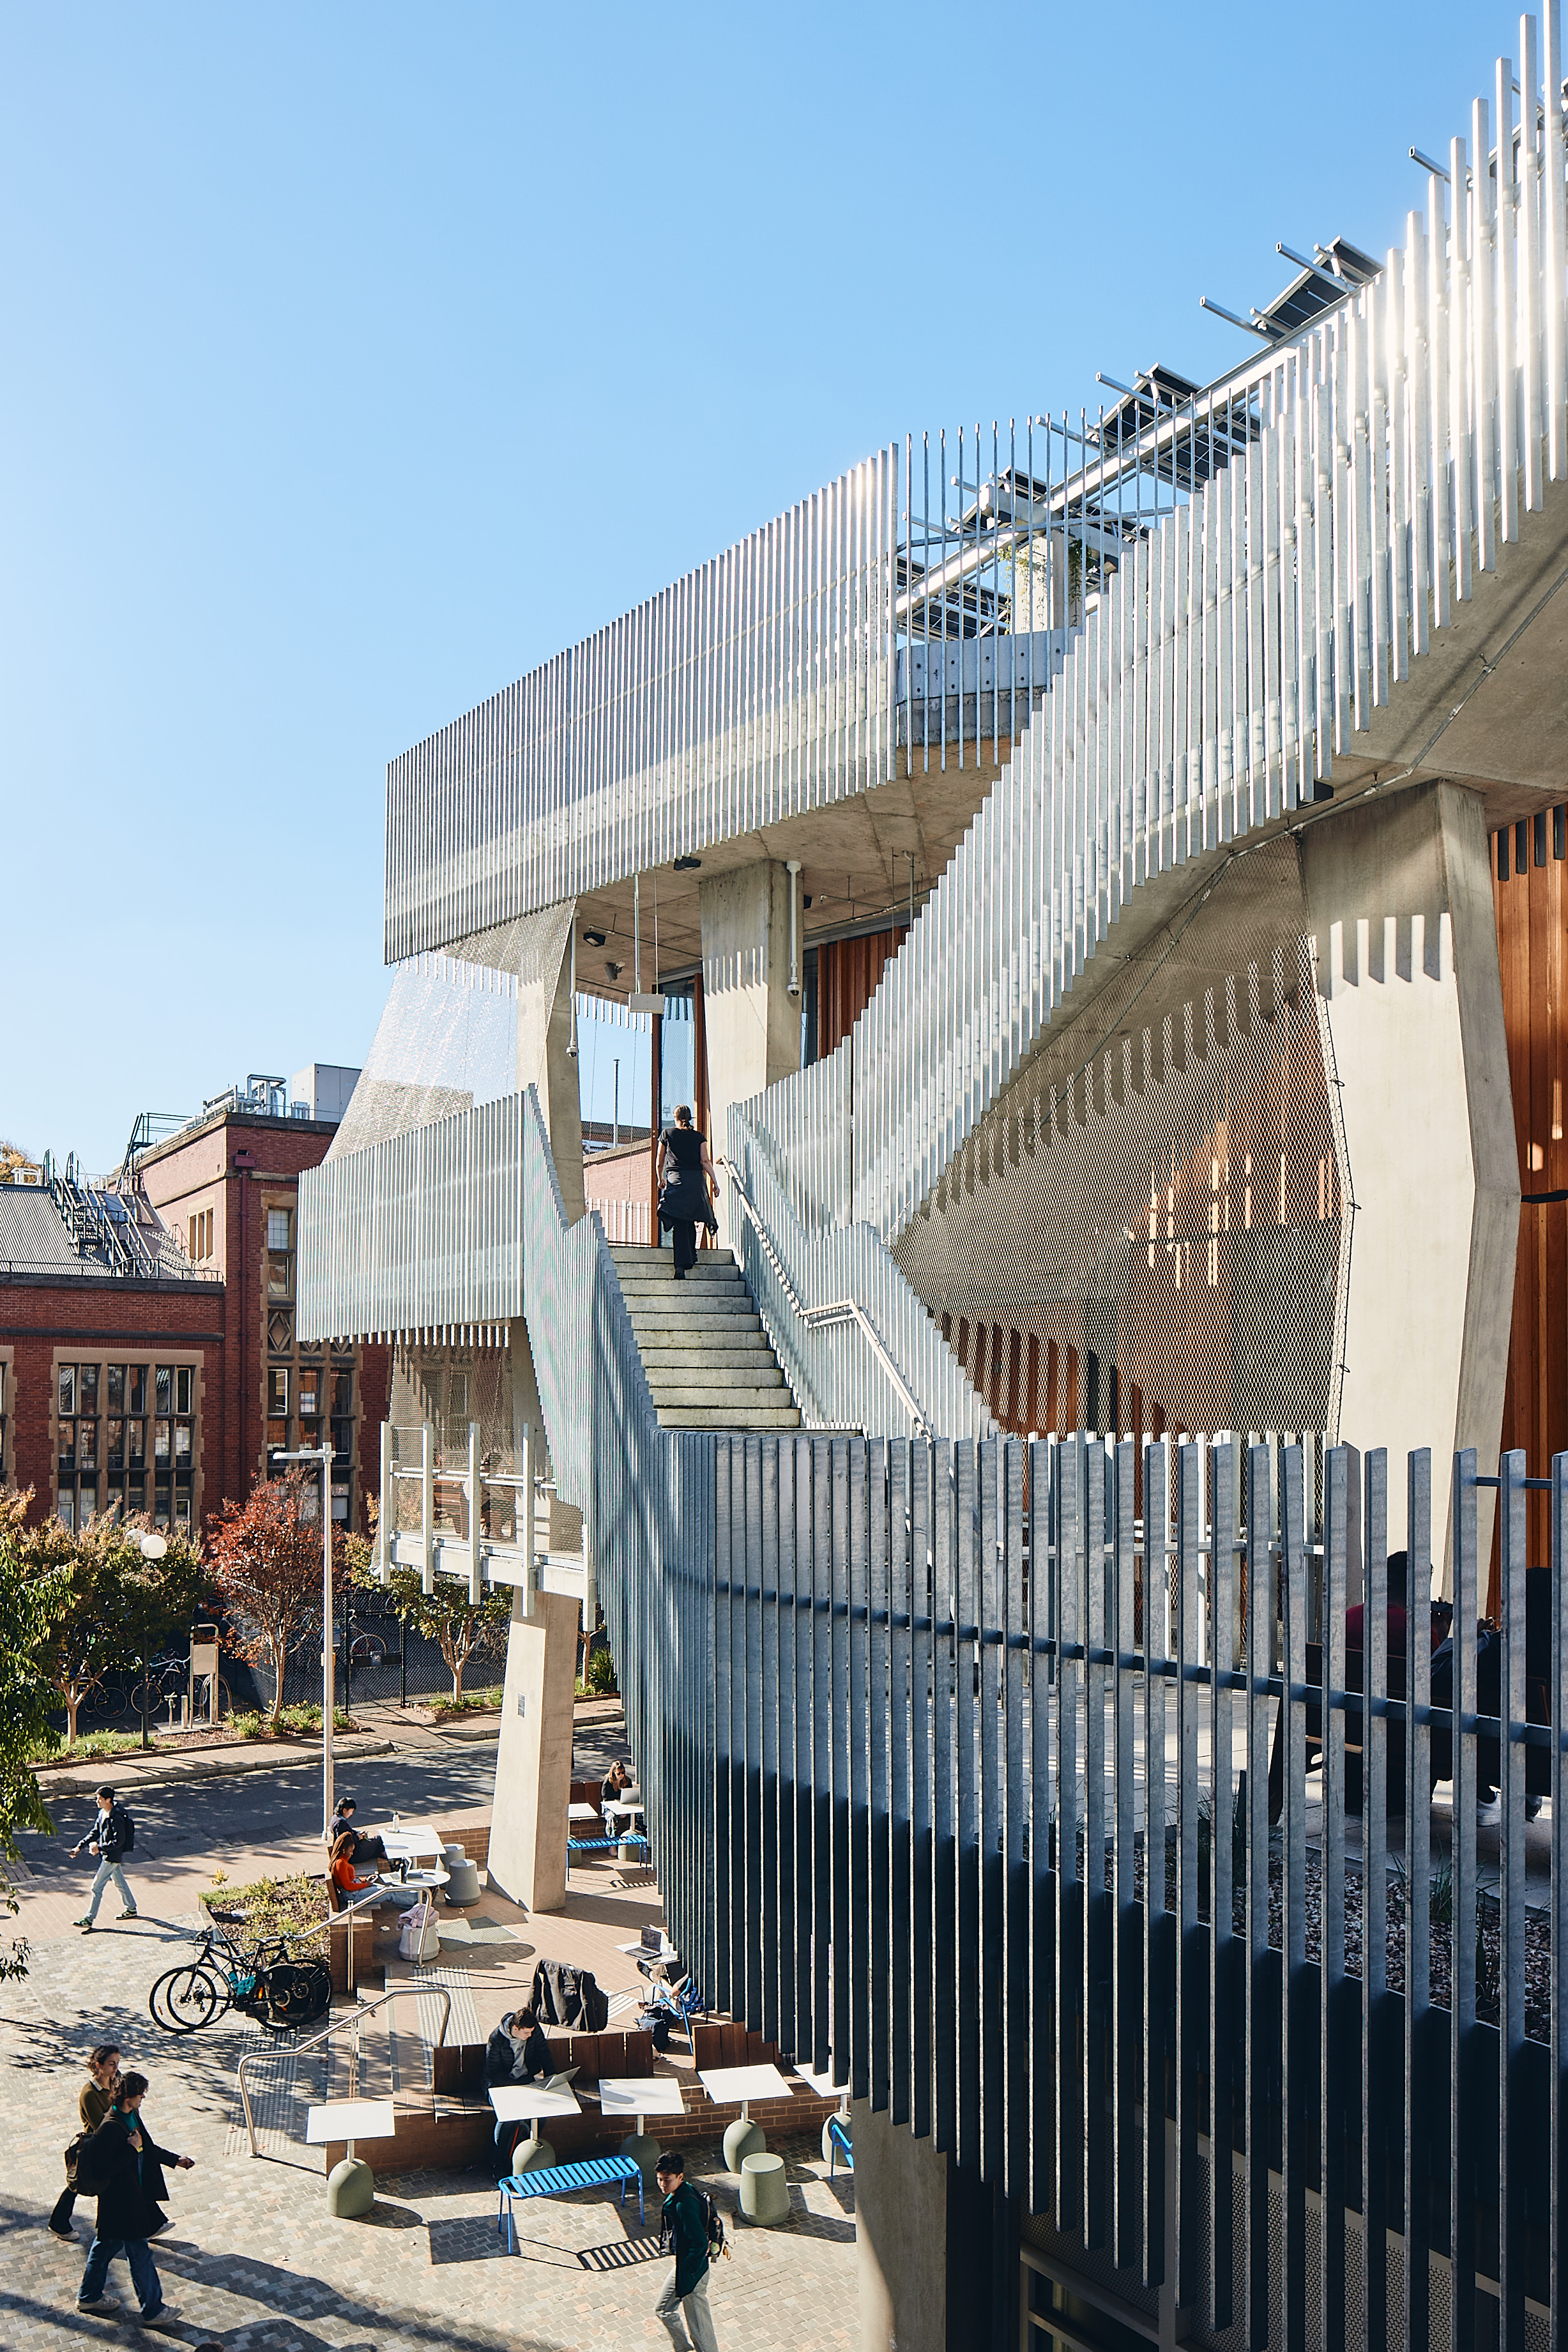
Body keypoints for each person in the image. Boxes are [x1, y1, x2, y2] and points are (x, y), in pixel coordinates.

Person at [75, 2070, 192, 2327]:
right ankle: (153, 2309)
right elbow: (104, 2170)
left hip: (129, 2201)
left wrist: (175, 2160)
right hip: (122, 2204)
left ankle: (89, 2296)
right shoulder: (111, 2126)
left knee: (104, 2248)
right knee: (140, 2255)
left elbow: (146, 2148)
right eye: (141, 2095)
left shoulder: (131, 2117)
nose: (143, 2099)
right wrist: (130, 2148)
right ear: (129, 2096)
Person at [49, 2043, 121, 2240]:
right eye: (111, 2064)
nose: (116, 2068)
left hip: (113, 2144)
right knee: (80, 2183)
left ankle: (147, 2223)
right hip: (96, 2146)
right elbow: (100, 2126)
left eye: (117, 2063)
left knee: (112, 2183)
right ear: (99, 2065)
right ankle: (59, 2222)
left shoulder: (115, 2084)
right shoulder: (90, 2093)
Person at [653, 2150, 721, 2352]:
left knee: (700, 2330)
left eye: (667, 2180)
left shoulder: (683, 2205)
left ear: (680, 2177)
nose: (663, 2184)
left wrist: (690, 2273)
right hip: (685, 2267)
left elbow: (700, 2243)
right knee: (663, 2310)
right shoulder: (683, 2191)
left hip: (693, 2272)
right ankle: (684, 2349)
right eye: (659, 2180)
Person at [655, 1104, 718, 1279]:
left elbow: (660, 1162)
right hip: (696, 1183)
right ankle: (691, 1254)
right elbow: (705, 1161)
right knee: (688, 1219)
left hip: (677, 1182)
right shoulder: (699, 1137)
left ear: (675, 1118)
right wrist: (715, 1182)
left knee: (681, 1223)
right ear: (690, 1118)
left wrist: (661, 1178)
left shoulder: (667, 1134)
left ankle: (681, 1266)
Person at [71, 1786, 137, 1930]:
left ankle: (89, 1919)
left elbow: (118, 1841)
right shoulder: (103, 1813)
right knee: (119, 1882)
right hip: (108, 1854)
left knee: (96, 1887)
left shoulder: (116, 1818)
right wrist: (79, 1846)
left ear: (108, 1800)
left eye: (100, 1799)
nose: (97, 1802)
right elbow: (95, 1832)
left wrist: (99, 1848)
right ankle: (131, 1908)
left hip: (112, 1856)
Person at [324, 1795, 386, 1865]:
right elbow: (345, 1842)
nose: (352, 1814)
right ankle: (390, 1862)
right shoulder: (340, 1823)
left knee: (376, 1847)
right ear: (345, 1810)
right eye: (351, 1811)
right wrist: (358, 1837)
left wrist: (358, 1833)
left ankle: (389, 1863)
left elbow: (349, 1832)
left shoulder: (335, 1818)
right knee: (378, 1840)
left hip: (352, 1852)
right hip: (353, 1854)